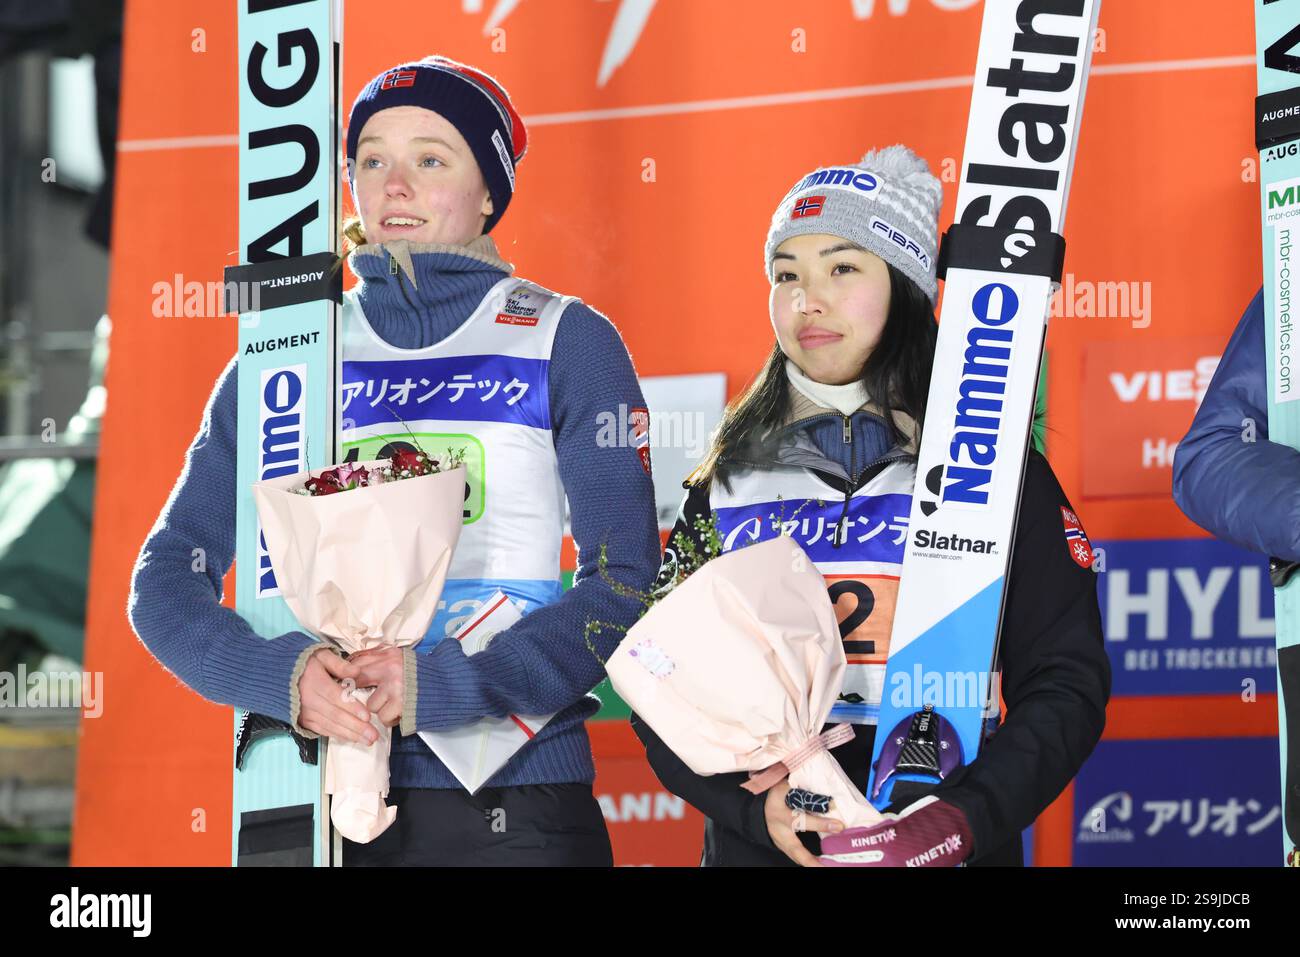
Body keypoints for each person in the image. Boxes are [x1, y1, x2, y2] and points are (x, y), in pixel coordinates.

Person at [128, 55, 661, 866]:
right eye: (372, 159)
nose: (395, 185)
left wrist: (444, 686)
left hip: (514, 800)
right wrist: (279, 676)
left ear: (489, 193)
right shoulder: (290, 359)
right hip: (313, 794)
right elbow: (163, 579)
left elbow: (626, 577)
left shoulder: (566, 339)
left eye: (430, 159)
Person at [629, 145, 1111, 867]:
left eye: (842, 267)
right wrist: (755, 813)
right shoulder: (725, 480)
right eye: (786, 275)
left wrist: (959, 820)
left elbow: (1066, 682)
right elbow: (658, 679)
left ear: (907, 286)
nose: (806, 299)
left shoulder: (995, 470)